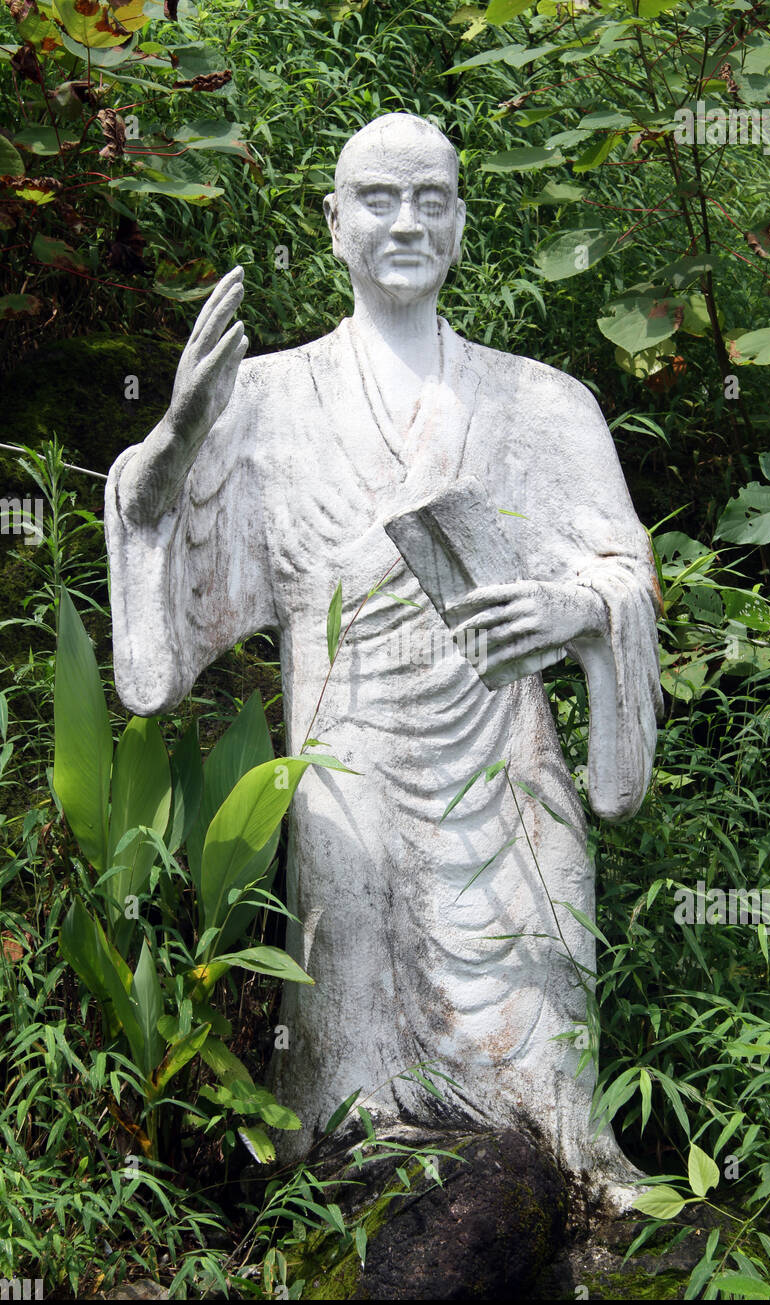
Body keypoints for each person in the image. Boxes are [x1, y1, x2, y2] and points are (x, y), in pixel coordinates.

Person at [105, 112, 663, 1187]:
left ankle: (559, 1170)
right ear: (331, 223)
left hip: (508, 772)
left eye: (430, 200)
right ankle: (351, 1199)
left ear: (460, 222)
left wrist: (574, 610)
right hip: (346, 777)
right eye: (377, 198)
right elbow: (151, 543)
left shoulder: (543, 400)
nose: (405, 222)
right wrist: (176, 437)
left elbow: (622, 573)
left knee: (541, 1045)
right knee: (354, 1089)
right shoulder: (262, 396)